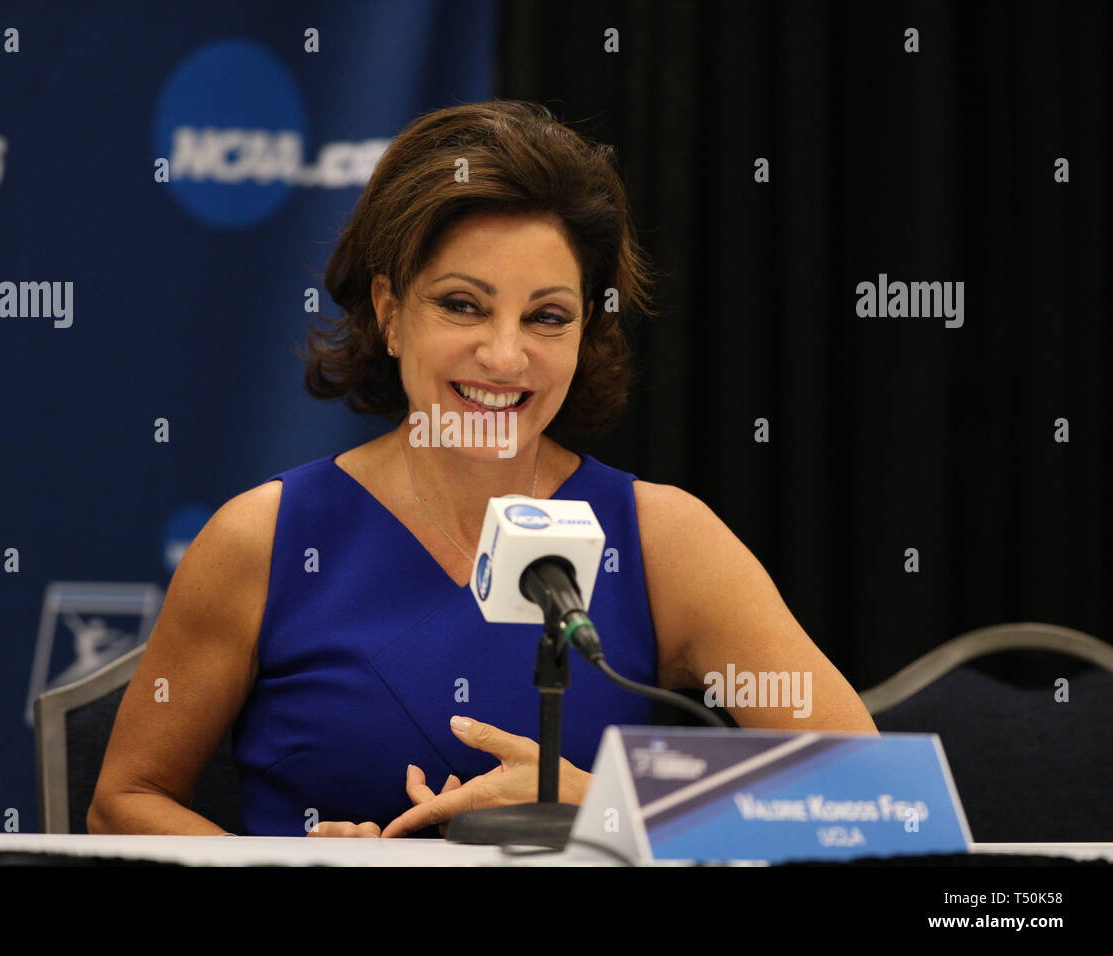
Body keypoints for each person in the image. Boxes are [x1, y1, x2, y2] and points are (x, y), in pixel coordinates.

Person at [87, 99, 877, 840]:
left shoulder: (663, 539)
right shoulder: (263, 538)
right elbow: (125, 804)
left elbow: (872, 799)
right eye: (462, 305)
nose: (504, 356)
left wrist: (600, 801)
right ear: (390, 312)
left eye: (547, 317)